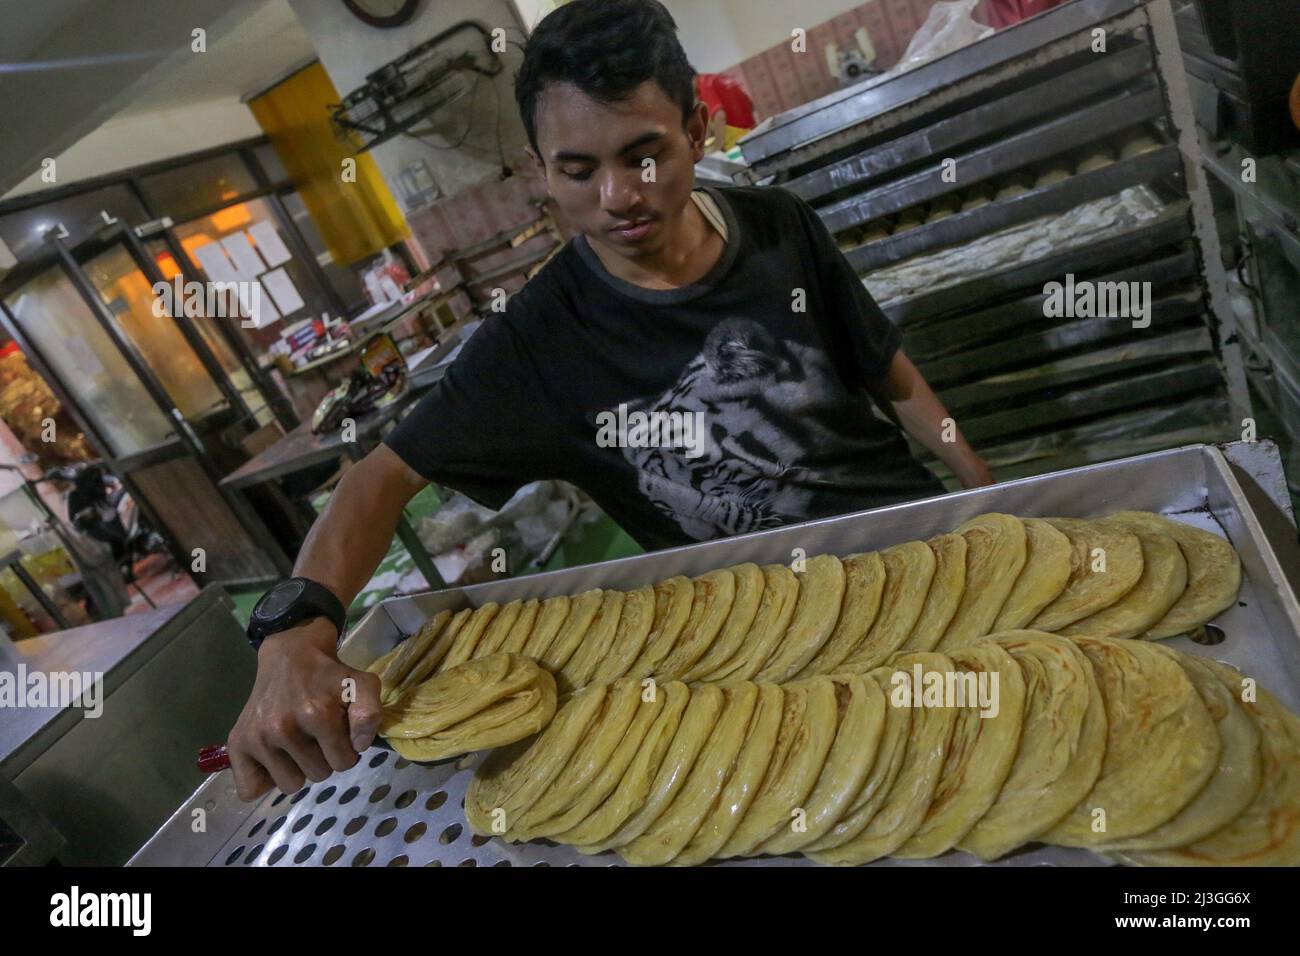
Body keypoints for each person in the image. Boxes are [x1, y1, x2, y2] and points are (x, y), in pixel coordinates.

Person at [227, 0, 993, 801]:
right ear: (540, 170)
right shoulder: (535, 345)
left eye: (644, 155)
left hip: (915, 547)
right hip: (764, 637)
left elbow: (885, 368)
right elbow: (375, 481)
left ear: (697, 132)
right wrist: (290, 635)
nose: (619, 196)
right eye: (579, 170)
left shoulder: (779, 228)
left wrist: (984, 486)